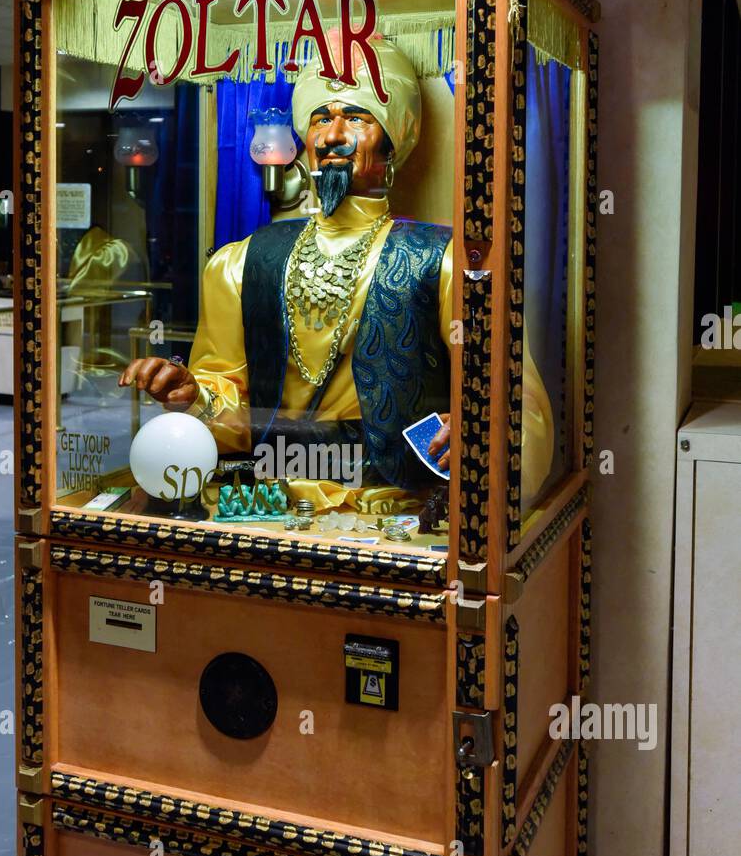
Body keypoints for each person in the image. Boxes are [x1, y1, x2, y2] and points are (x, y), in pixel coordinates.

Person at [120, 36, 553, 514]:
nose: (332, 136)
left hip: (396, 515)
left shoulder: (447, 260)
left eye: (357, 118)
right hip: (269, 506)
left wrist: (480, 426)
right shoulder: (240, 262)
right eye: (321, 118)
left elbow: (519, 401)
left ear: (393, 139)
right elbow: (232, 411)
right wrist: (193, 395)